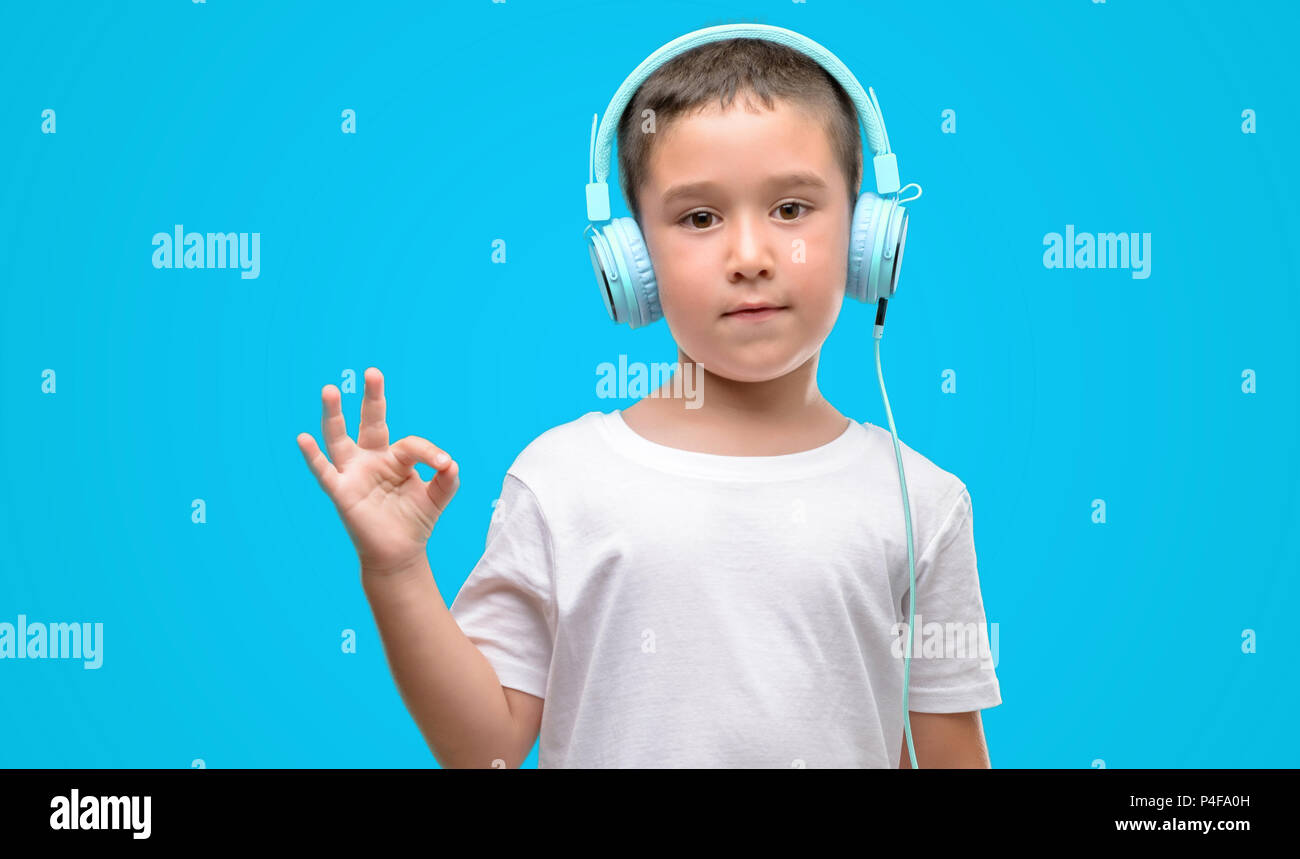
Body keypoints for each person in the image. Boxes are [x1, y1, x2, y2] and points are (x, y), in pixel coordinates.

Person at [297, 33, 1000, 768]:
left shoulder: (921, 500)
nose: (751, 256)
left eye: (792, 208)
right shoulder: (561, 478)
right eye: (699, 218)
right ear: (630, 260)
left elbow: (949, 753)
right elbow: (483, 749)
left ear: (866, 234)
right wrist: (398, 569)